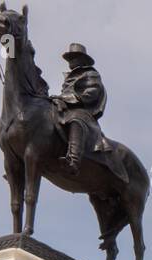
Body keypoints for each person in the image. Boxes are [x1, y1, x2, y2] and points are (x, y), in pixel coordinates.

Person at [54, 43, 112, 175]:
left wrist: (66, 99)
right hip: (68, 108)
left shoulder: (91, 74)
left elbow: (91, 93)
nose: (71, 61)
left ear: (82, 59)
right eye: (70, 58)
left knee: (76, 120)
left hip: (83, 112)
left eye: (74, 57)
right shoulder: (69, 77)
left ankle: (73, 161)